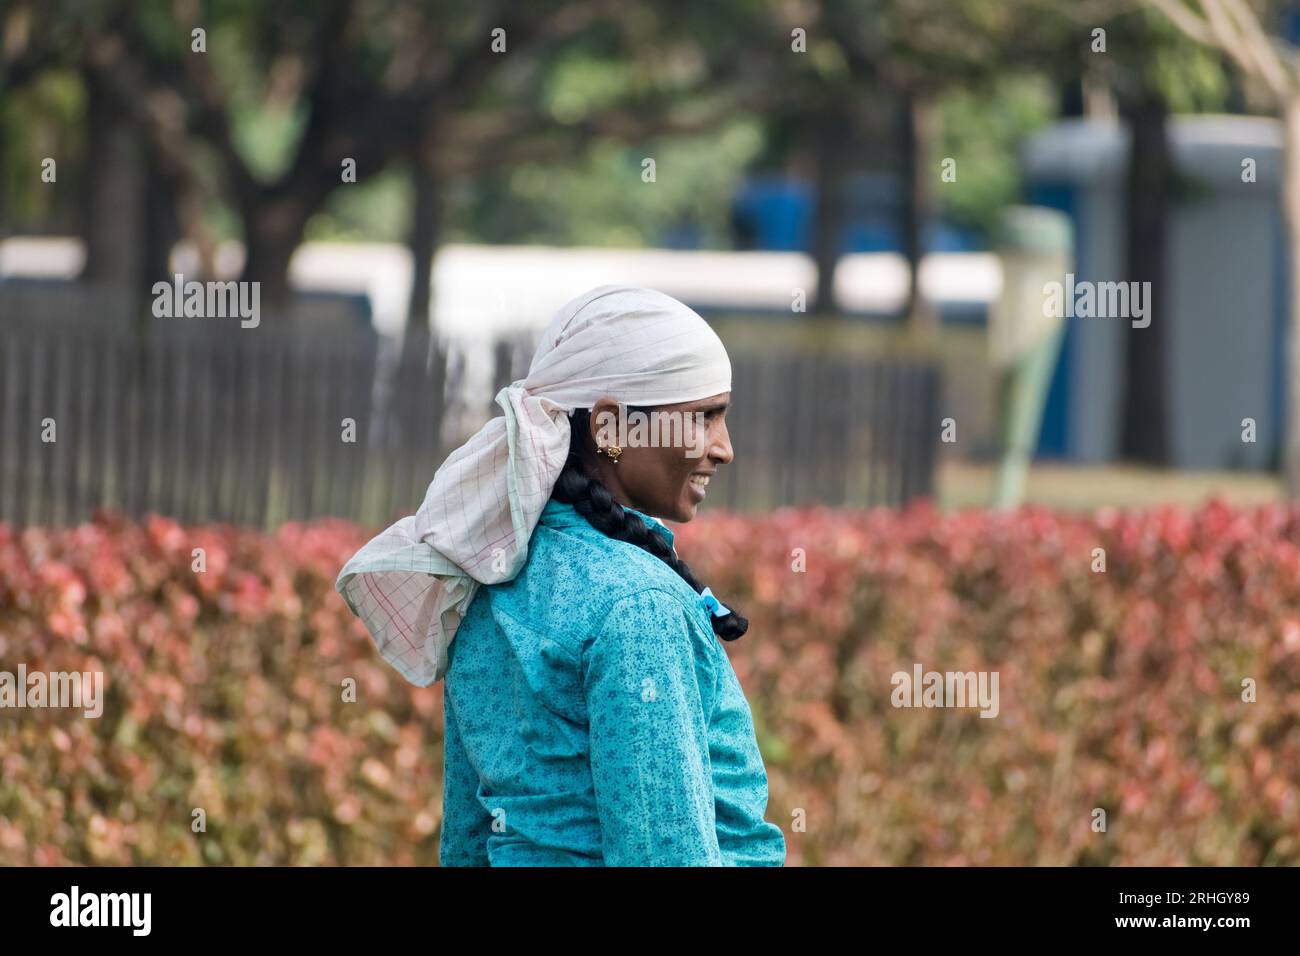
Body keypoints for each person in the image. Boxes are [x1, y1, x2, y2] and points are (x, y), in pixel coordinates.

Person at [337, 284, 786, 866]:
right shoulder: (637, 608)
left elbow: (469, 839)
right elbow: (662, 854)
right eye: (703, 418)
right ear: (609, 429)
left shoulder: (489, 576)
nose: (723, 449)